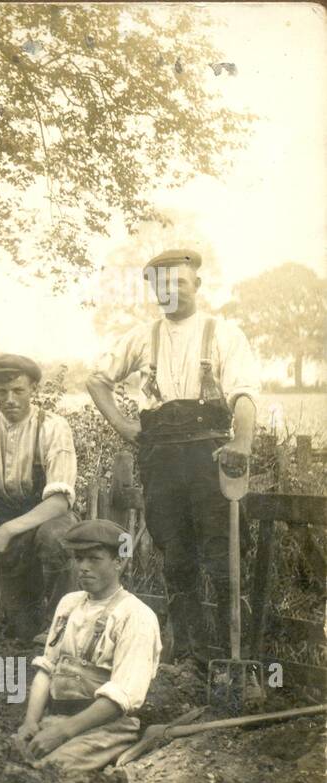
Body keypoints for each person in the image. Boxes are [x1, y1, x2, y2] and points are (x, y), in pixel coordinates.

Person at [87, 249, 259, 667]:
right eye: (161, 286)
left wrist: (243, 443)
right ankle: (190, 657)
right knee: (176, 556)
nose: (171, 293)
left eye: (179, 283)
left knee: (224, 557)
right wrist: (125, 426)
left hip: (210, 456)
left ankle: (235, 659)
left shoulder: (223, 334)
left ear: (196, 286)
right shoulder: (141, 337)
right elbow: (97, 380)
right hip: (161, 459)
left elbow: (244, 394)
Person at [15, 519, 161, 773]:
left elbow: (120, 698)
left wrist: (62, 733)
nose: (83, 568)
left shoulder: (135, 616)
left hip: (106, 729)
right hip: (56, 720)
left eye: (94, 559)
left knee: (49, 771)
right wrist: (30, 722)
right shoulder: (69, 604)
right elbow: (47, 670)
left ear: (119, 562)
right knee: (7, 761)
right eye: (79, 559)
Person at [0, 354, 78, 640]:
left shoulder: (52, 427)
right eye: (1, 392)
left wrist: (5, 530)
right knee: (20, 630)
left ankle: (63, 627)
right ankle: (28, 631)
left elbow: (59, 502)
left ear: (33, 389)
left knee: (56, 539)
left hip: (48, 515)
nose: (9, 399)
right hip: (6, 516)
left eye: (18, 390)